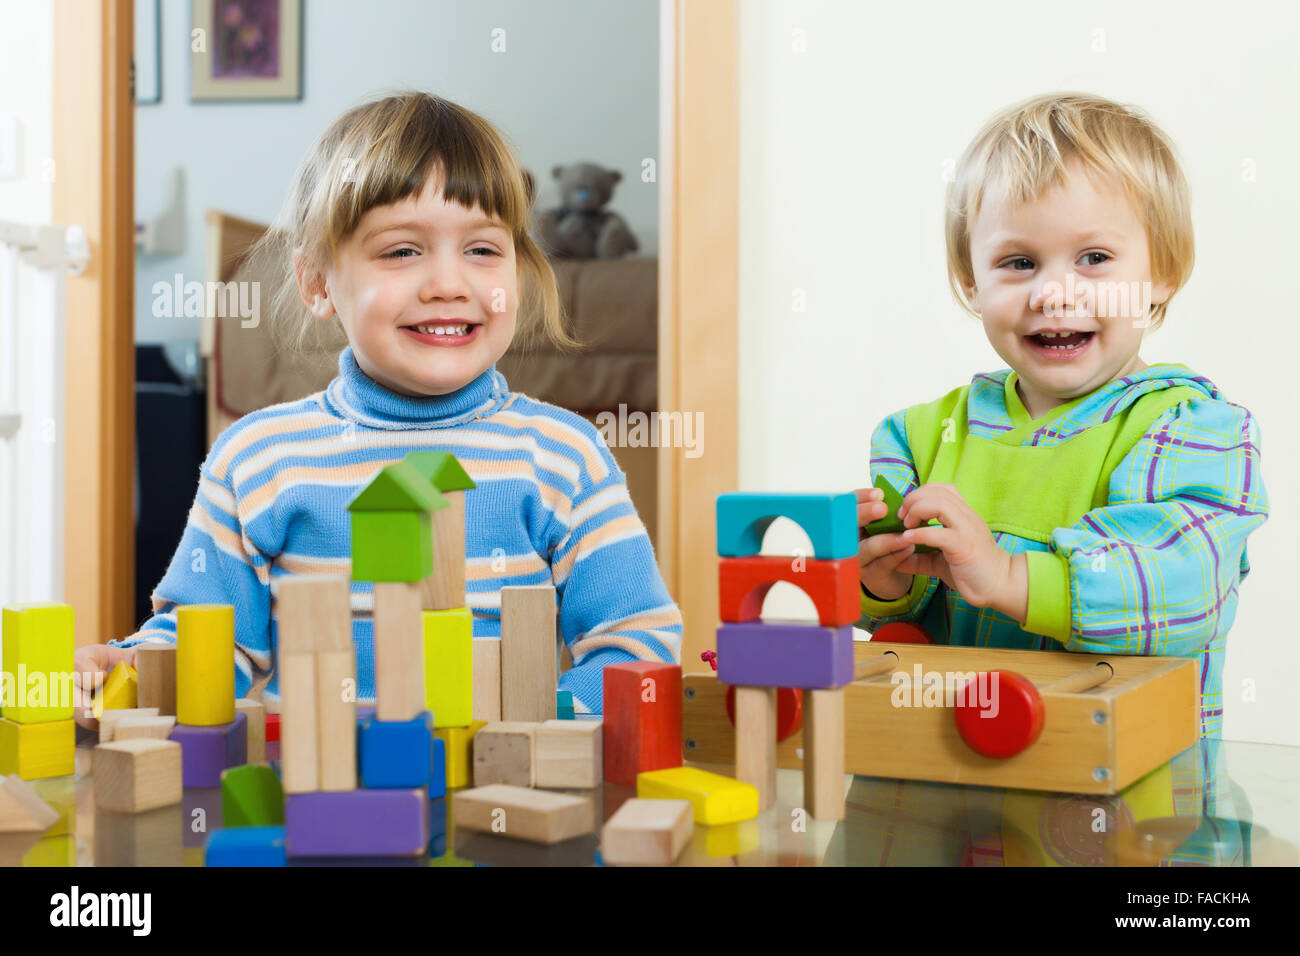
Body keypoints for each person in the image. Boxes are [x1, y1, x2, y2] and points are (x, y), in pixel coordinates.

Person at [72, 90, 682, 728]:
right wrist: (135, 670)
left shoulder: (565, 455)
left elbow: (638, 644)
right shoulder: (258, 457)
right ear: (316, 283)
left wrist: (536, 724)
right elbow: (207, 640)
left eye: (482, 250)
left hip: (499, 797)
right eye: (401, 251)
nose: (448, 284)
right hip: (317, 796)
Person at [855, 92, 1269, 739]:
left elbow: (1181, 588)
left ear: (1163, 272)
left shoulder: (1192, 429)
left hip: (1122, 805)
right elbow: (894, 632)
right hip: (939, 787)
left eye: (1094, 259)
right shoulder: (915, 437)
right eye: (1018, 263)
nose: (1054, 291)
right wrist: (879, 581)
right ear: (971, 282)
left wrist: (1006, 576)